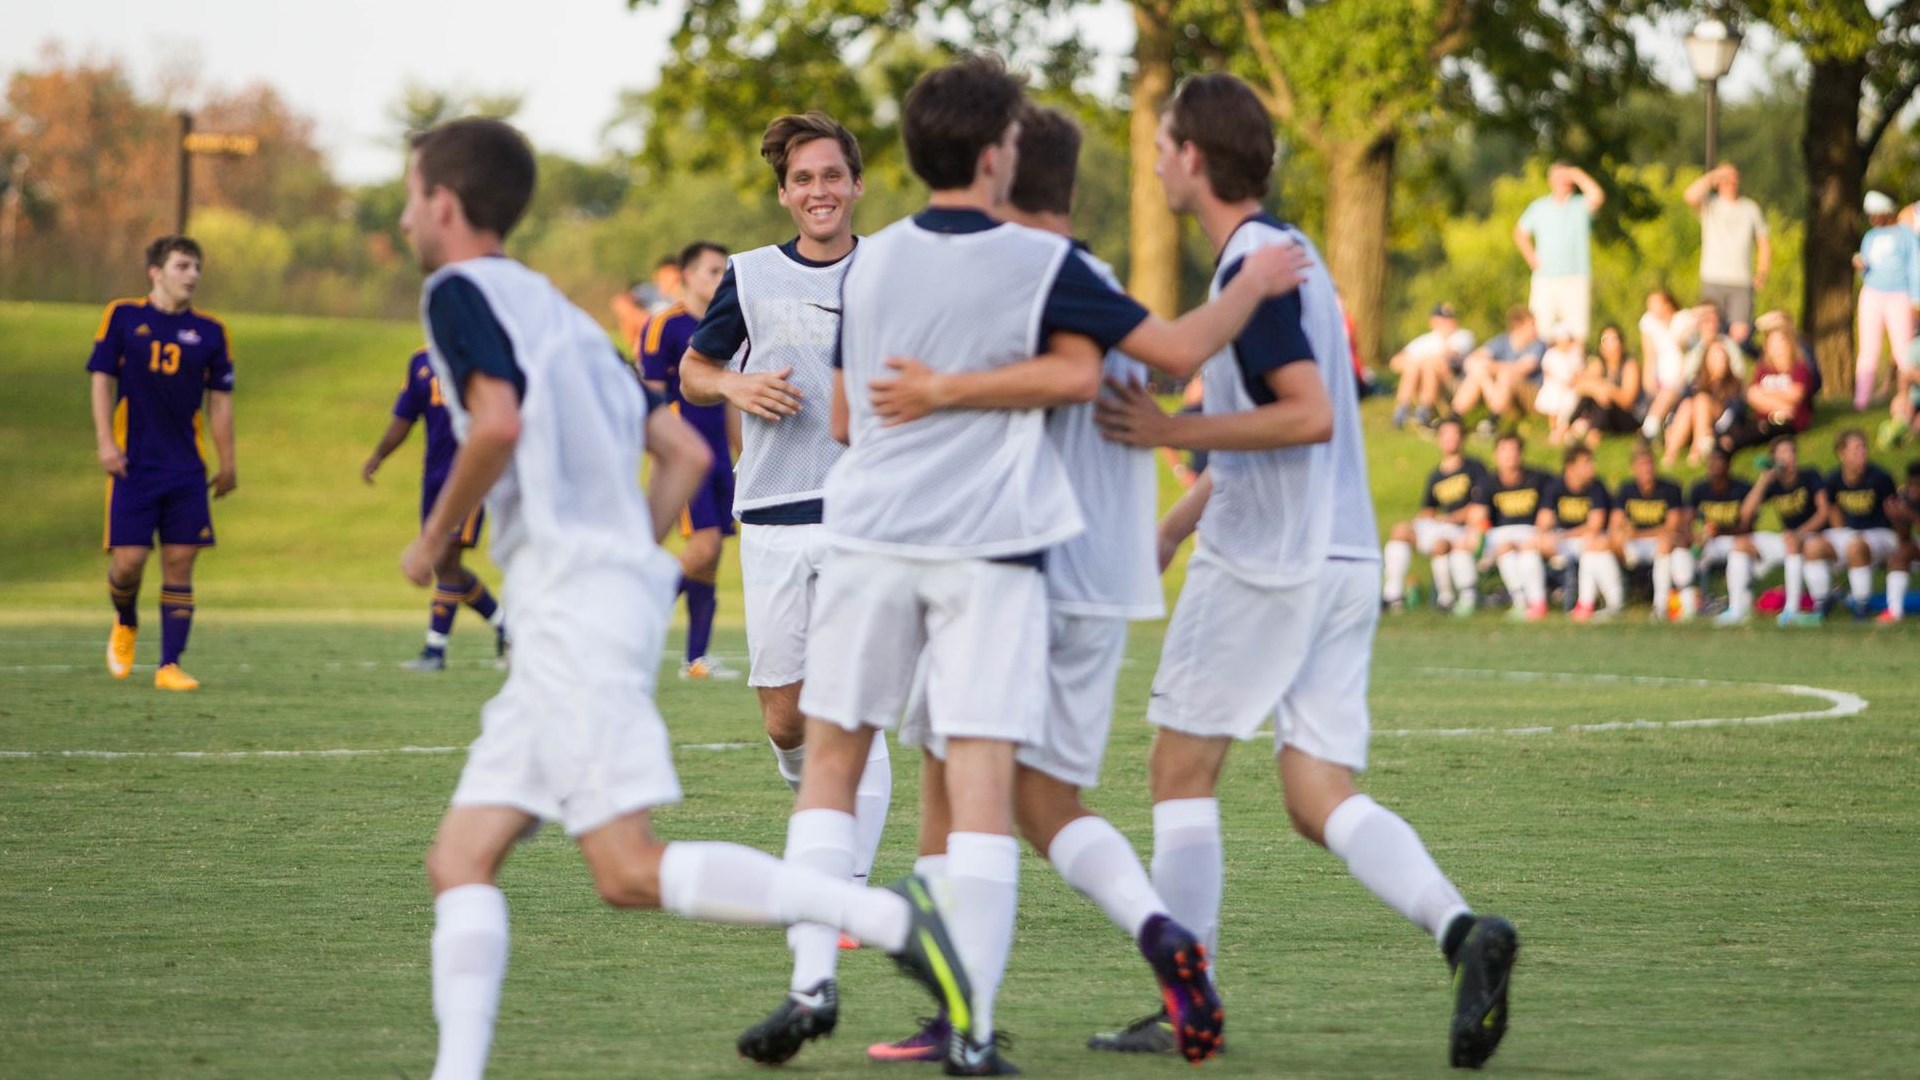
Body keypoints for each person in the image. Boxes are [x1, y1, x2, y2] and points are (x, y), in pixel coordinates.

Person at [396, 116, 971, 1080]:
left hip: (592, 603)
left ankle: (873, 912)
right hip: (605, 596)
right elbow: (685, 447)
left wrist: (433, 538)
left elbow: (492, 426)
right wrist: (625, 556)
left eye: (413, 196)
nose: (409, 214)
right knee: (492, 862)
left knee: (618, 862)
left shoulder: (459, 290)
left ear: (443, 205)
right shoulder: (553, 310)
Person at [792, 56, 1305, 1075]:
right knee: (1032, 803)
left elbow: (1096, 372)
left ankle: (975, 1007)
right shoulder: (1088, 279)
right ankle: (1141, 949)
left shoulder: (1017, 274)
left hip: (1018, 569)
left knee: (965, 793)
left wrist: (939, 394)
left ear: (1003, 169)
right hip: (1093, 576)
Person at [1090, 72, 1518, 1070]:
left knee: (1176, 771)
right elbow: (1300, 430)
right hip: (1338, 554)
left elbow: (1306, 413)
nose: (1152, 161)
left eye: (1160, 145)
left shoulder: (1251, 261)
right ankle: (1464, 932)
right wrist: (1180, 519)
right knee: (1314, 791)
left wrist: (1168, 428)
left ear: (1194, 157)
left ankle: (1187, 1009)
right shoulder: (1295, 258)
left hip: (1272, 560)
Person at [667, 114, 895, 1058]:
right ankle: (822, 832)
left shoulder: (892, 270)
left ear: (856, 184)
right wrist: (734, 389)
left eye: (833, 175)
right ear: (783, 192)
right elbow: (691, 371)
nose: (820, 191)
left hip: (865, 517)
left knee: (850, 712)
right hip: (769, 518)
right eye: (803, 178)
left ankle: (838, 885)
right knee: (785, 721)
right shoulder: (750, 276)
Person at [89, 235, 238, 692]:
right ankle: (126, 619)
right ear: (156, 272)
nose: (192, 275)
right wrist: (104, 443)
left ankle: (169, 665)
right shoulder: (123, 316)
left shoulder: (211, 332)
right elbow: (101, 380)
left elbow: (220, 403)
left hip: (186, 470)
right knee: (129, 564)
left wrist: (228, 461)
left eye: (197, 267)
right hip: (132, 466)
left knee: (179, 563)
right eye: (182, 266)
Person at [362, 348, 508, 670]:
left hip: (472, 474)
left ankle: (435, 650)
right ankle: (506, 627)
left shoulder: (483, 351)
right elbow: (405, 416)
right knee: (448, 567)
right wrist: (379, 455)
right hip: (435, 478)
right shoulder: (420, 362)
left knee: (446, 558)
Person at [640, 241, 741, 680]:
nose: (721, 279)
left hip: (720, 453)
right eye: (712, 270)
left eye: (725, 270)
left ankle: (695, 660)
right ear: (686, 275)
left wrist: (744, 455)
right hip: (687, 454)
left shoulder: (731, 326)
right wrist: (660, 453)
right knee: (703, 546)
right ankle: (630, 614)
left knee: (711, 556)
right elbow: (646, 397)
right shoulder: (665, 325)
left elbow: (734, 395)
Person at [1382, 418, 1488, 613]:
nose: (1450, 439)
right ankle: (1392, 595)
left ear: (1462, 438)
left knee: (1440, 543)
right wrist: (1423, 521)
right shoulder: (1436, 476)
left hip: (1461, 529)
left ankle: (1445, 599)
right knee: (1400, 531)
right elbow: (1428, 510)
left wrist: (1451, 518)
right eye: (1445, 435)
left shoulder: (1475, 468)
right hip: (1441, 526)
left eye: (1454, 434)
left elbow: (1480, 507)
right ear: (1439, 440)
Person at [1741, 434, 1834, 627]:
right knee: (1741, 544)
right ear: (1774, 458)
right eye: (1783, 452)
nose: (1789, 456)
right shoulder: (1773, 482)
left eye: (1792, 451)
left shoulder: (1810, 475)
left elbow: (1824, 512)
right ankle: (1738, 607)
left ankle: (1792, 609)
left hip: (1816, 535)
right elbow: (1747, 512)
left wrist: (1800, 532)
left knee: (1793, 541)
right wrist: (1764, 480)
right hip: (1791, 538)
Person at [1514, 162, 1604, 343]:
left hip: (1575, 276)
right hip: (1546, 277)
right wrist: (1533, 259)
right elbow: (1519, 233)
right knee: (1540, 329)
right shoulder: (1539, 207)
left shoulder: (1580, 205)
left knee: (1578, 331)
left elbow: (1597, 196)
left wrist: (1576, 173)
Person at [1684, 162, 1771, 344]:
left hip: (1740, 279)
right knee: (1709, 332)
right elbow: (1689, 195)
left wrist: (1762, 271)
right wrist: (1714, 176)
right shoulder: (1711, 205)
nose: (1730, 182)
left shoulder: (1750, 208)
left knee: (1740, 336)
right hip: (1713, 277)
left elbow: (1763, 241)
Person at [1534, 445, 1621, 620]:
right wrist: (1549, 531)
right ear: (1571, 467)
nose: (1592, 467)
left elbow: (1595, 526)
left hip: (1585, 540)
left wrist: (1563, 535)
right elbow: (1542, 522)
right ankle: (1534, 602)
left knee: (1592, 546)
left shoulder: (1597, 487)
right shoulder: (1555, 486)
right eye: (1586, 463)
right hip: (1565, 541)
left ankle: (1604, 603)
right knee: (1536, 544)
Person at [1823, 428, 1903, 619]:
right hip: (1851, 534)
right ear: (1841, 453)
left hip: (1881, 534)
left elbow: (1895, 515)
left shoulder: (1880, 478)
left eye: (1864, 448)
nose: (1862, 453)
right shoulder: (1834, 478)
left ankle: (1861, 604)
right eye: (1856, 449)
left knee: (1856, 544)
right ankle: (1822, 601)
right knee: (1813, 546)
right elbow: (1833, 513)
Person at [1471, 433, 1552, 621]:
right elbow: (1479, 518)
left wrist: (1541, 534)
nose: (1510, 456)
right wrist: (1479, 545)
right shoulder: (1487, 482)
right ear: (1496, 455)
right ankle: (1520, 601)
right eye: (1504, 451)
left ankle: (1537, 602)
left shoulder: (1539, 478)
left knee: (1528, 550)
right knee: (1504, 547)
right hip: (1499, 535)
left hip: (1530, 532)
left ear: (1521, 453)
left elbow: (1547, 514)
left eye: (1514, 450)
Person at [1854, 190, 1920, 413]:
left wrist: (1916, 300)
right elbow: (1867, 267)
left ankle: (1907, 397)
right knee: (1868, 349)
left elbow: (1915, 268)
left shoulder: (1906, 236)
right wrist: (1861, 267)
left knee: (1903, 350)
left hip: (1898, 296)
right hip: (1872, 294)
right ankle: (1861, 400)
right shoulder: (1870, 237)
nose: (1873, 218)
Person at [1611, 442, 1692, 621]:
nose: (1647, 470)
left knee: (1665, 543)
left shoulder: (1669, 489)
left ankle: (1660, 605)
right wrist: (1625, 531)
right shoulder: (1626, 490)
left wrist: (1638, 534)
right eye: (1642, 465)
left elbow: (1672, 526)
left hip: (1661, 543)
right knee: (1611, 540)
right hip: (1635, 546)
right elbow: (1616, 524)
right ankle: (1615, 602)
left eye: (1649, 464)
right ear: (1633, 468)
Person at [1689, 447, 1759, 626]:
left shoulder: (1742, 488)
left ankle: (1741, 601)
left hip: (1737, 539)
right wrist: (1696, 534)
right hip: (1710, 541)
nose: (1715, 465)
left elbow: (1748, 526)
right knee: (1691, 555)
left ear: (1728, 464)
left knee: (1738, 551)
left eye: (1720, 460)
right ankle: (1696, 601)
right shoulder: (1699, 489)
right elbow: (1688, 521)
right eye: (1712, 460)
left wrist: (1721, 531)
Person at [1451, 306, 1544, 435]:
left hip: (1530, 395)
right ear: (1518, 326)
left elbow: (1522, 369)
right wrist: (1484, 373)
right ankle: (1455, 417)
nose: (1536, 329)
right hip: (1502, 394)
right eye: (1532, 325)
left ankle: (1493, 418)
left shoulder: (1538, 345)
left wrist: (1489, 367)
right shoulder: (1502, 340)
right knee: (1478, 373)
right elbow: (1472, 360)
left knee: (1505, 374)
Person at [1723, 326, 1814, 452]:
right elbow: (1752, 394)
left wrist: (1765, 394)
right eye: (1772, 343)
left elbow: (1796, 395)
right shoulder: (1763, 369)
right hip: (1766, 416)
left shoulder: (1799, 368)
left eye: (1780, 341)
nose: (1777, 347)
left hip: (1789, 422)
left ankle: (1731, 444)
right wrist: (1781, 406)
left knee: (1768, 430)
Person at [1389, 302, 1475, 429]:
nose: (1447, 323)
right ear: (1433, 321)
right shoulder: (1425, 340)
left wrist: (1422, 361)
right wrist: (1415, 363)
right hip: (1424, 378)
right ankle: (1403, 409)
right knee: (1414, 367)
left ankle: (1423, 410)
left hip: (1453, 383)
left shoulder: (1463, 336)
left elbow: (1450, 356)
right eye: (1443, 319)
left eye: (1449, 319)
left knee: (1429, 366)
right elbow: (1395, 362)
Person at [1667, 338, 1744, 467]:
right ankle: (1671, 451)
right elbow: (1679, 405)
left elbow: (1733, 415)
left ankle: (1696, 450)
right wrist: (1670, 424)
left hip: (1713, 429)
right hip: (1689, 425)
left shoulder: (1734, 385)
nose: (1720, 362)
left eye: (1722, 358)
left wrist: (1716, 432)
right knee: (1688, 405)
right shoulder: (1696, 382)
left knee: (1701, 400)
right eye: (1715, 358)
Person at [1637, 289, 1698, 440]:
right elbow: (1649, 353)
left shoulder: (1683, 319)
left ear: (1667, 303)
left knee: (1668, 393)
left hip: (1684, 376)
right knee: (1664, 395)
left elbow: (1687, 347)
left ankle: (1649, 431)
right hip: (1661, 376)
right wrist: (1648, 378)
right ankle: (1652, 429)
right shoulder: (1648, 322)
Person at [1569, 322, 1642, 445]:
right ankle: (1566, 426)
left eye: (1614, 339)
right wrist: (1597, 389)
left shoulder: (1629, 365)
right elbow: (1579, 386)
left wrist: (1607, 389)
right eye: (1606, 340)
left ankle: (1593, 435)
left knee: (1604, 399)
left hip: (1627, 418)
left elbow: (1627, 401)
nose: (1611, 345)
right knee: (1593, 395)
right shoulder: (1598, 364)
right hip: (1606, 416)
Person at [1534, 323, 1586, 446]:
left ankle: (1566, 430)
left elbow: (1578, 371)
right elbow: (1548, 371)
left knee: (1569, 408)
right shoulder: (1551, 354)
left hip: (1570, 388)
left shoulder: (1574, 354)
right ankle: (1554, 430)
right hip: (1555, 387)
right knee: (1554, 408)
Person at [1882, 462, 1920, 622]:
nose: (1913, 489)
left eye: (1917, 485)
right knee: (1901, 554)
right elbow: (1905, 538)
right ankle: (1894, 611)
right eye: (1910, 484)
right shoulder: (1905, 498)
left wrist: (1910, 515)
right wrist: (1897, 518)